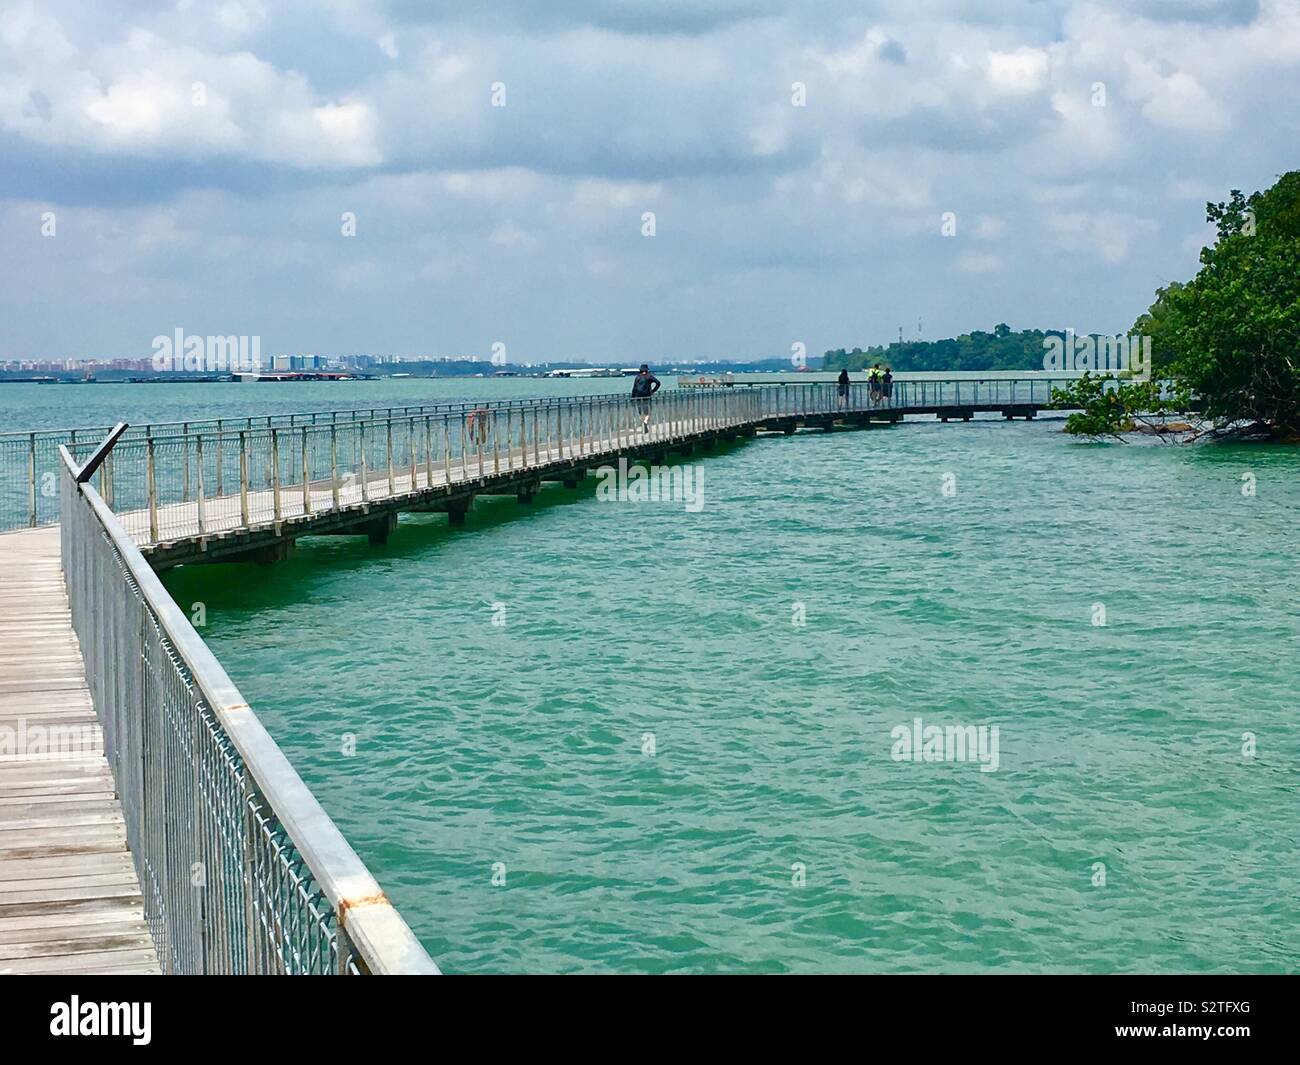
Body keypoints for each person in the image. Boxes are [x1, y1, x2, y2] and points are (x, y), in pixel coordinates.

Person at [631, 363, 661, 433]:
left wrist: (632, 398)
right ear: (647, 370)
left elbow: (634, 388)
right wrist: (653, 391)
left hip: (638, 396)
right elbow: (658, 383)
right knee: (648, 412)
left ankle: (643, 423)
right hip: (647, 396)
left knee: (640, 413)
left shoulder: (637, 377)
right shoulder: (649, 376)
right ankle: (645, 422)